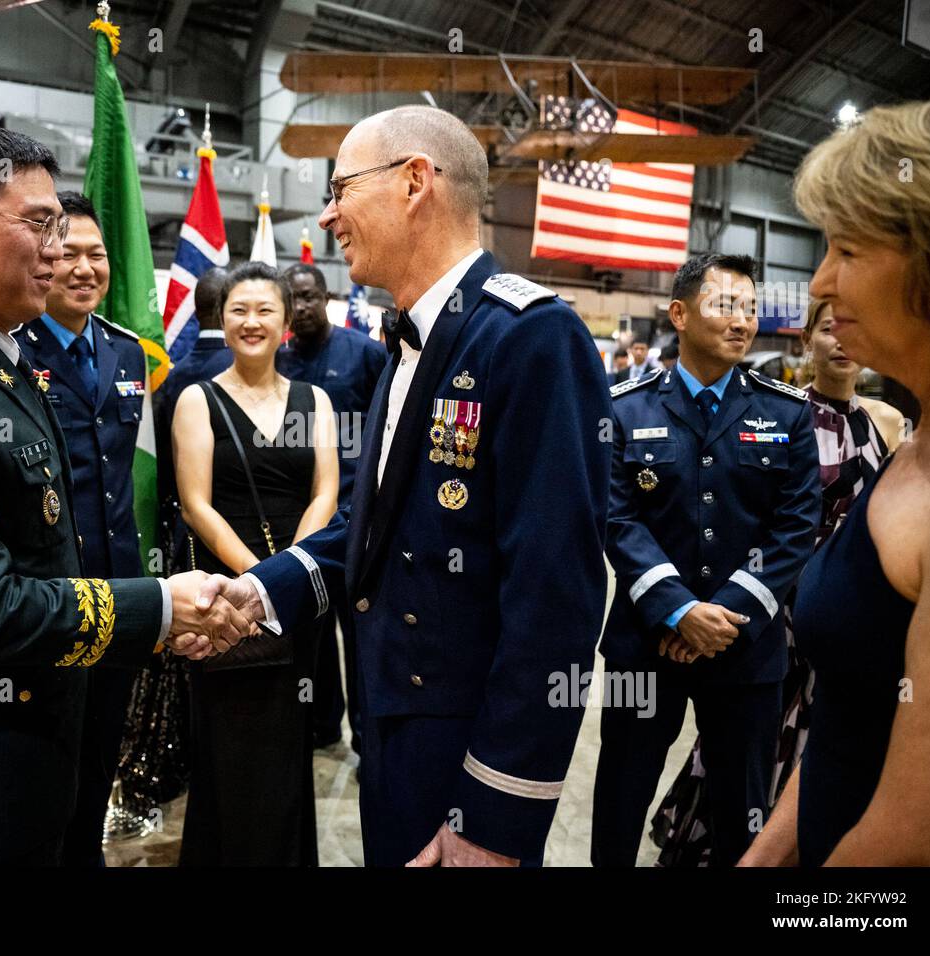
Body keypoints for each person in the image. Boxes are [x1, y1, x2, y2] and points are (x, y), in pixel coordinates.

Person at [197, 105, 613, 867]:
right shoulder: (407, 345)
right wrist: (257, 593)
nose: (327, 216)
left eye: (341, 190)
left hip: (466, 753)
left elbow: (556, 599)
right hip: (387, 725)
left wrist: (496, 815)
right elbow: (372, 524)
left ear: (414, 182)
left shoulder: (530, 338)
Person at [0, 124, 249, 866]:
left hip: (40, 751)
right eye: (37, 225)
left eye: (61, 228)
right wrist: (156, 607)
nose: (59, 250)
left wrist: (154, 620)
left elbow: (52, 555)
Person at [741, 96, 930, 866]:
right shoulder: (918, 436)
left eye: (849, 251)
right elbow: (848, 717)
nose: (823, 282)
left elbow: (919, 838)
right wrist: (768, 852)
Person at [591, 252, 821, 868]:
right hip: (645, 642)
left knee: (741, 807)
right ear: (680, 314)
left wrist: (717, 617)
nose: (742, 320)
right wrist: (676, 610)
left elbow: (795, 529)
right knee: (621, 795)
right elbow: (616, 518)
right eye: (725, 305)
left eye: (750, 307)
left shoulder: (788, 413)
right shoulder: (623, 407)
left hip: (744, 652)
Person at [650, 295, 888, 866]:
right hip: (773, 606)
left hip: (845, 615)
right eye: (826, 330)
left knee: (819, 737)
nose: (840, 342)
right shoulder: (779, 413)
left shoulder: (887, 420)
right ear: (805, 341)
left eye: (851, 330)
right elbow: (747, 520)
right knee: (751, 747)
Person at [171, 261, 339, 866]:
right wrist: (258, 582)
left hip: (299, 596)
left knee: (288, 743)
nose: (252, 321)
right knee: (229, 746)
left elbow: (325, 492)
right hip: (223, 595)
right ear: (222, 318)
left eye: (265, 310)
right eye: (239, 310)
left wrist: (289, 575)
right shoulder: (199, 399)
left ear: (286, 322)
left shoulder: (312, 399)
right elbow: (196, 504)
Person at [14, 191, 148, 866]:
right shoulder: (11, 353)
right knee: (44, 758)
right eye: (68, 254)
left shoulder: (128, 356)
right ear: (43, 259)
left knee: (101, 752)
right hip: (50, 601)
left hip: (119, 596)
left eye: (97, 254)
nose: (85, 268)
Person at [277, 261, 386, 751]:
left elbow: (391, 426)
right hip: (305, 525)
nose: (301, 308)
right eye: (292, 299)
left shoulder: (363, 354)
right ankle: (323, 727)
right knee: (313, 637)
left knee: (361, 639)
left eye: (309, 297)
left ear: (326, 298)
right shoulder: (279, 363)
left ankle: (367, 741)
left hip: (359, 521)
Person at [156, 266, 231, 570]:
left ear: (195, 312)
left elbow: (161, 458)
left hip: (187, 530)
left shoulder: (171, 378)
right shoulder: (257, 373)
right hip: (245, 523)